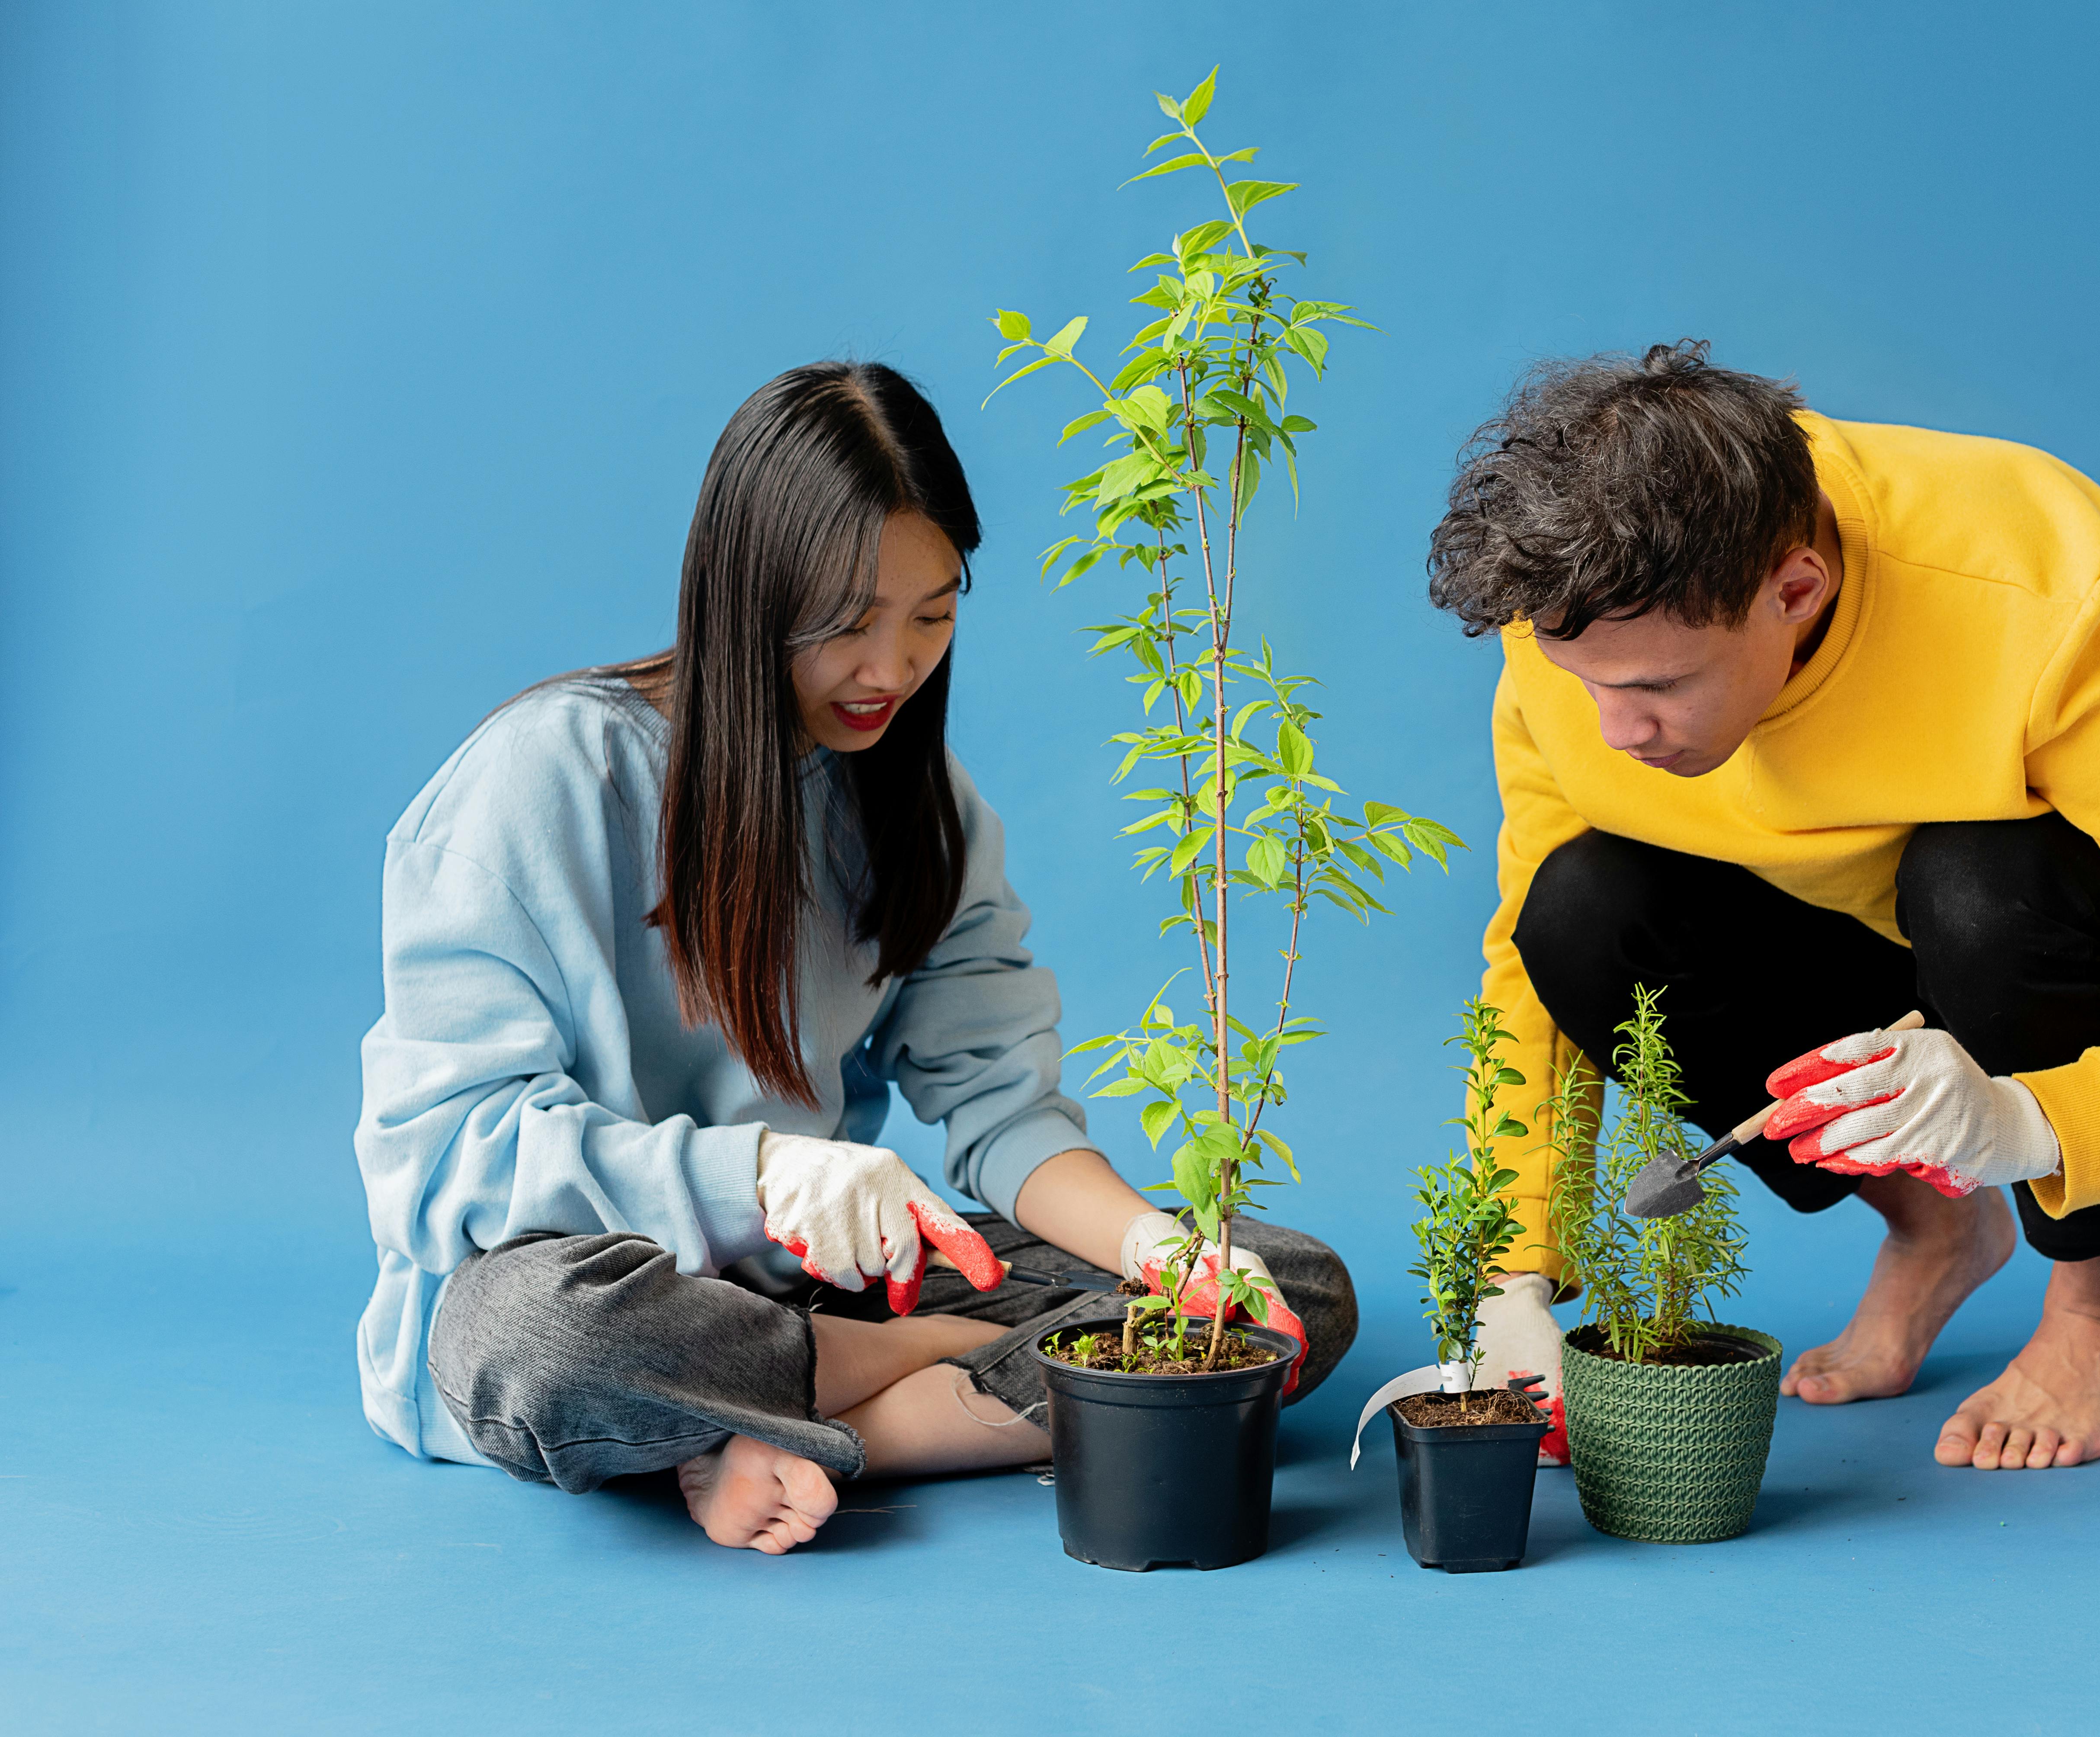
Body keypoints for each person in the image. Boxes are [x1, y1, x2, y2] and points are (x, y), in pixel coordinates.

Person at [354, 361, 1355, 1552]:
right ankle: (920, 1365)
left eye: (932, 616)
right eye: (846, 624)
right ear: (747, 597)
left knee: (1283, 1288)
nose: (891, 670)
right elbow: (441, 1166)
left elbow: (1003, 1112)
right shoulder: (544, 781)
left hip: (800, 1296)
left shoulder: (925, 810)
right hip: (607, 1298)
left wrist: (1160, 1252)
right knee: (542, 1344)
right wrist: (765, 1178)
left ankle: (789, 1439)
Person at [1429, 343, 2100, 1471]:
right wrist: (1513, 1277)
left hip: (2079, 928)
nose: (1613, 734)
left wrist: (2025, 1124)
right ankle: (1938, 1224)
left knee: (1981, 885)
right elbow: (1527, 969)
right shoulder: (1584, 603)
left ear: (1797, 589)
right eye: (1583, 683)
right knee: (1580, 908)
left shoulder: (2053, 596)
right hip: (1852, 928)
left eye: (1655, 689)